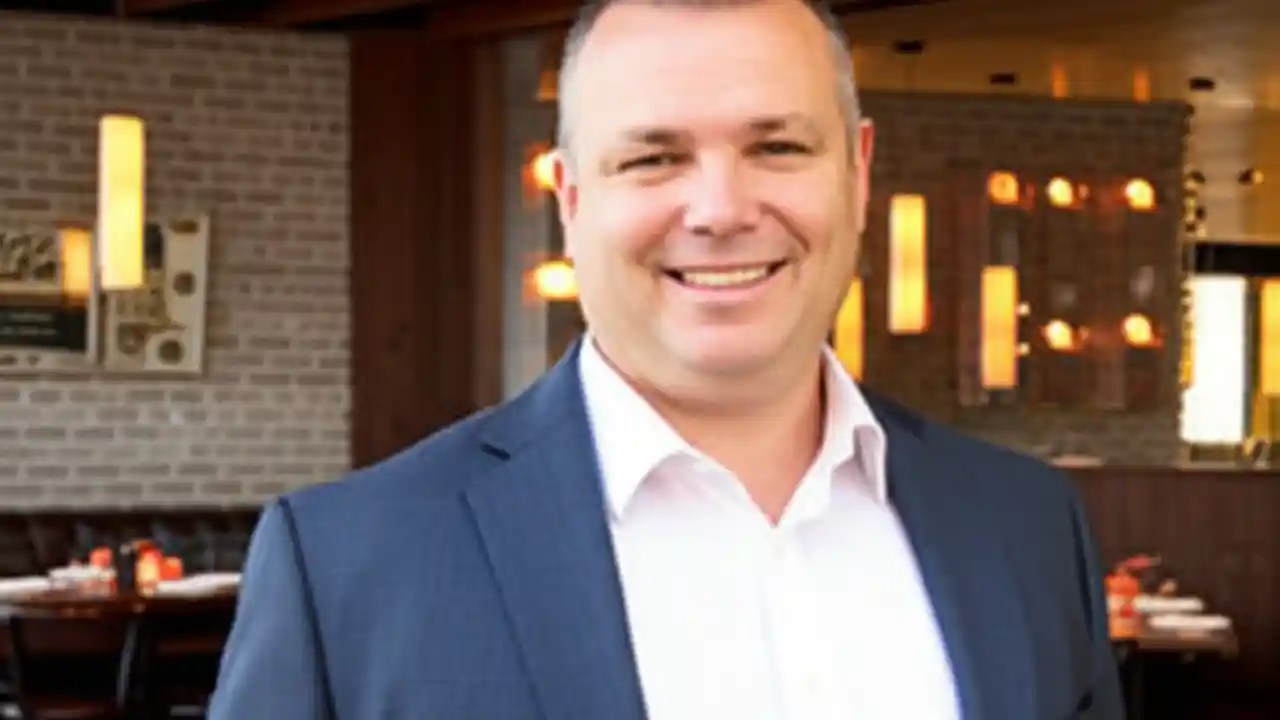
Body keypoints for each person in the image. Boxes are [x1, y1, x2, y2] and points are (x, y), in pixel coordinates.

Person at [208, 0, 1124, 717]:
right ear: (571, 198)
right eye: (654, 158)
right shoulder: (351, 563)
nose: (721, 209)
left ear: (857, 173)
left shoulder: (1027, 528)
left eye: (777, 146)